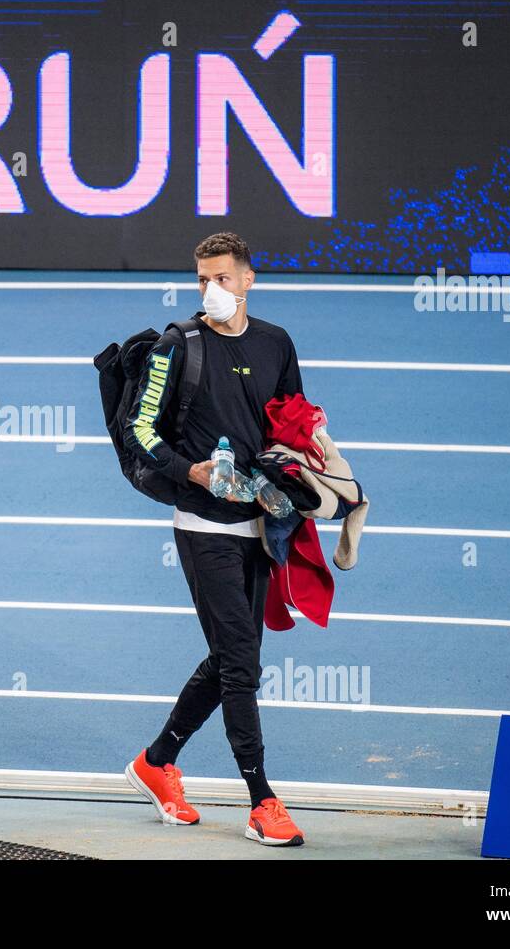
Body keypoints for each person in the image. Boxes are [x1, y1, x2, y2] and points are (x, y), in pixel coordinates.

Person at [122, 232, 307, 846]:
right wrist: (191, 471)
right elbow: (138, 430)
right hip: (204, 527)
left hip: (259, 525)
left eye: (222, 278)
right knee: (242, 667)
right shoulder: (179, 347)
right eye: (202, 278)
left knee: (234, 656)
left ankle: (156, 761)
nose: (211, 290)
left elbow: (293, 422)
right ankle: (261, 800)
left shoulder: (276, 343)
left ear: (248, 279)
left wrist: (299, 478)